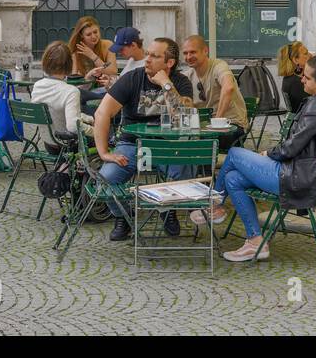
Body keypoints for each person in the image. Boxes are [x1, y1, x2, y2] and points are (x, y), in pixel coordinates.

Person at [192, 54, 316, 263]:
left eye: (307, 77)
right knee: (233, 179)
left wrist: (268, 153)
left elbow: (291, 148)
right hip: (302, 174)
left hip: (297, 178)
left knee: (235, 154)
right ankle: (255, 241)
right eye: (301, 73)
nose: (301, 78)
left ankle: (215, 204)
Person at [91, 38, 194, 242]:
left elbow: (184, 119)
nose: (147, 60)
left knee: (184, 175)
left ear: (169, 63)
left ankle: (167, 209)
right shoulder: (132, 78)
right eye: (147, 54)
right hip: (132, 145)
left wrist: (166, 84)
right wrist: (103, 152)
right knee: (105, 180)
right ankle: (123, 214)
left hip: (167, 146)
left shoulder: (181, 83)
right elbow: (102, 113)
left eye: (154, 56)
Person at [182, 34, 247, 130]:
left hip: (232, 125)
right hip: (204, 128)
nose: (188, 57)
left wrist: (216, 122)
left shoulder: (219, 66)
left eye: (193, 52)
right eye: (185, 53)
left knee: (196, 143)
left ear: (205, 51)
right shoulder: (187, 76)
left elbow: (229, 88)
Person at [31, 40, 87, 140]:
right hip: (66, 145)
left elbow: (56, 113)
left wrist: (88, 118)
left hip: (48, 143)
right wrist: (96, 131)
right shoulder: (71, 91)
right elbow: (74, 127)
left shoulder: (37, 86)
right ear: (69, 64)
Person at [278, 41, 311, 112]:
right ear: (296, 60)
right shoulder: (296, 83)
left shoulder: (290, 79)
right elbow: (312, 106)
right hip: (304, 120)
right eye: (306, 53)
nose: (310, 55)